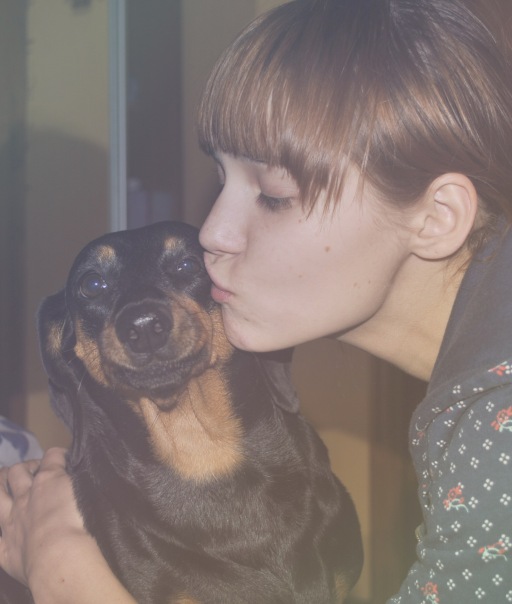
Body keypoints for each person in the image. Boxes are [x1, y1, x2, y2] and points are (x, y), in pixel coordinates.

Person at [1, 0, 511, 601]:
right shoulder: (472, 401)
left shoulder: (495, 433)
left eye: (273, 194)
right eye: (223, 179)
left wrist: (59, 563)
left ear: (437, 217)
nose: (213, 232)